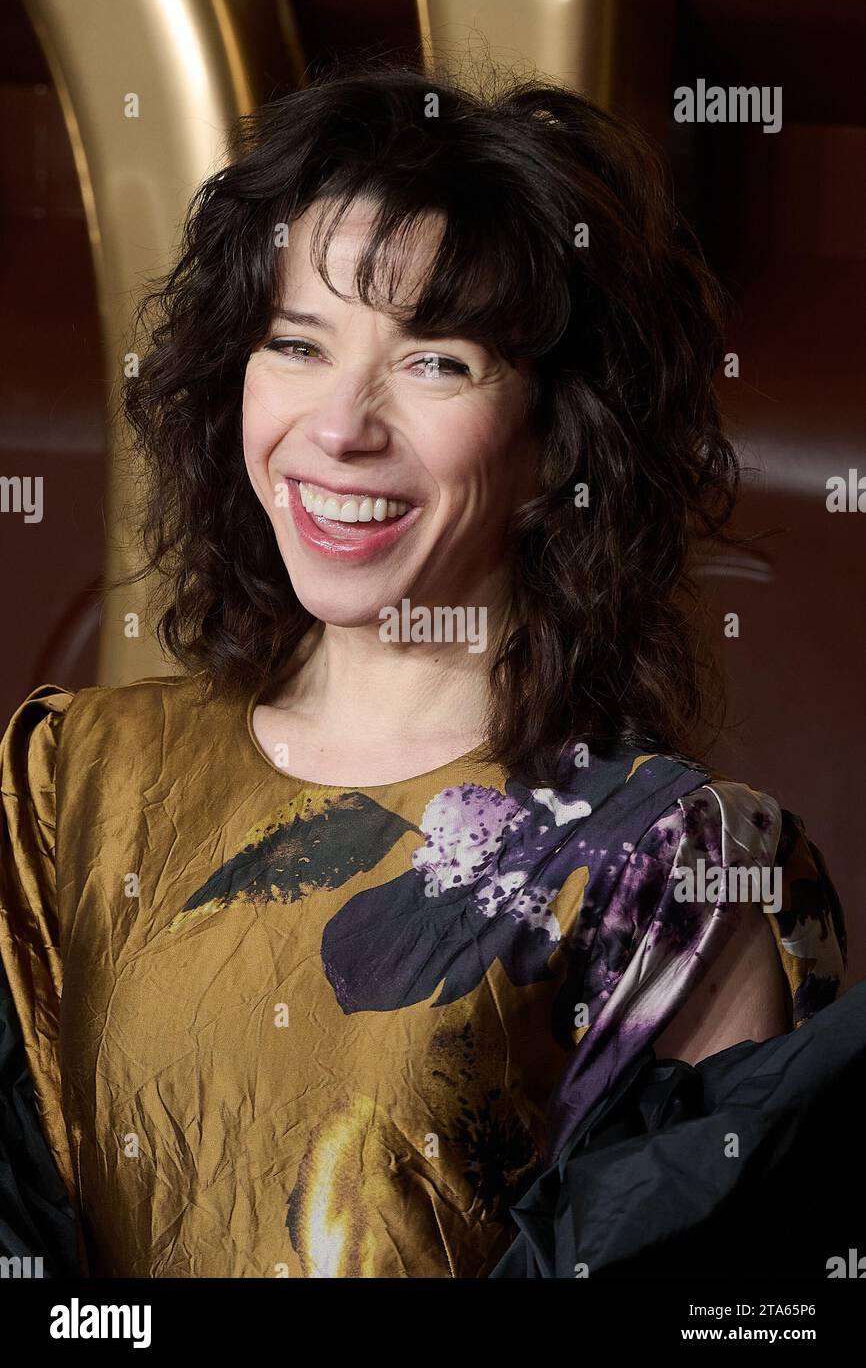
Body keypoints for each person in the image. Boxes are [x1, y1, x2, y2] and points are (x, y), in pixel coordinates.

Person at [0, 62, 847, 1279]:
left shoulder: (668, 870)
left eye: (434, 361)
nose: (339, 424)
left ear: (560, 439)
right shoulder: (64, 780)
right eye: (296, 343)